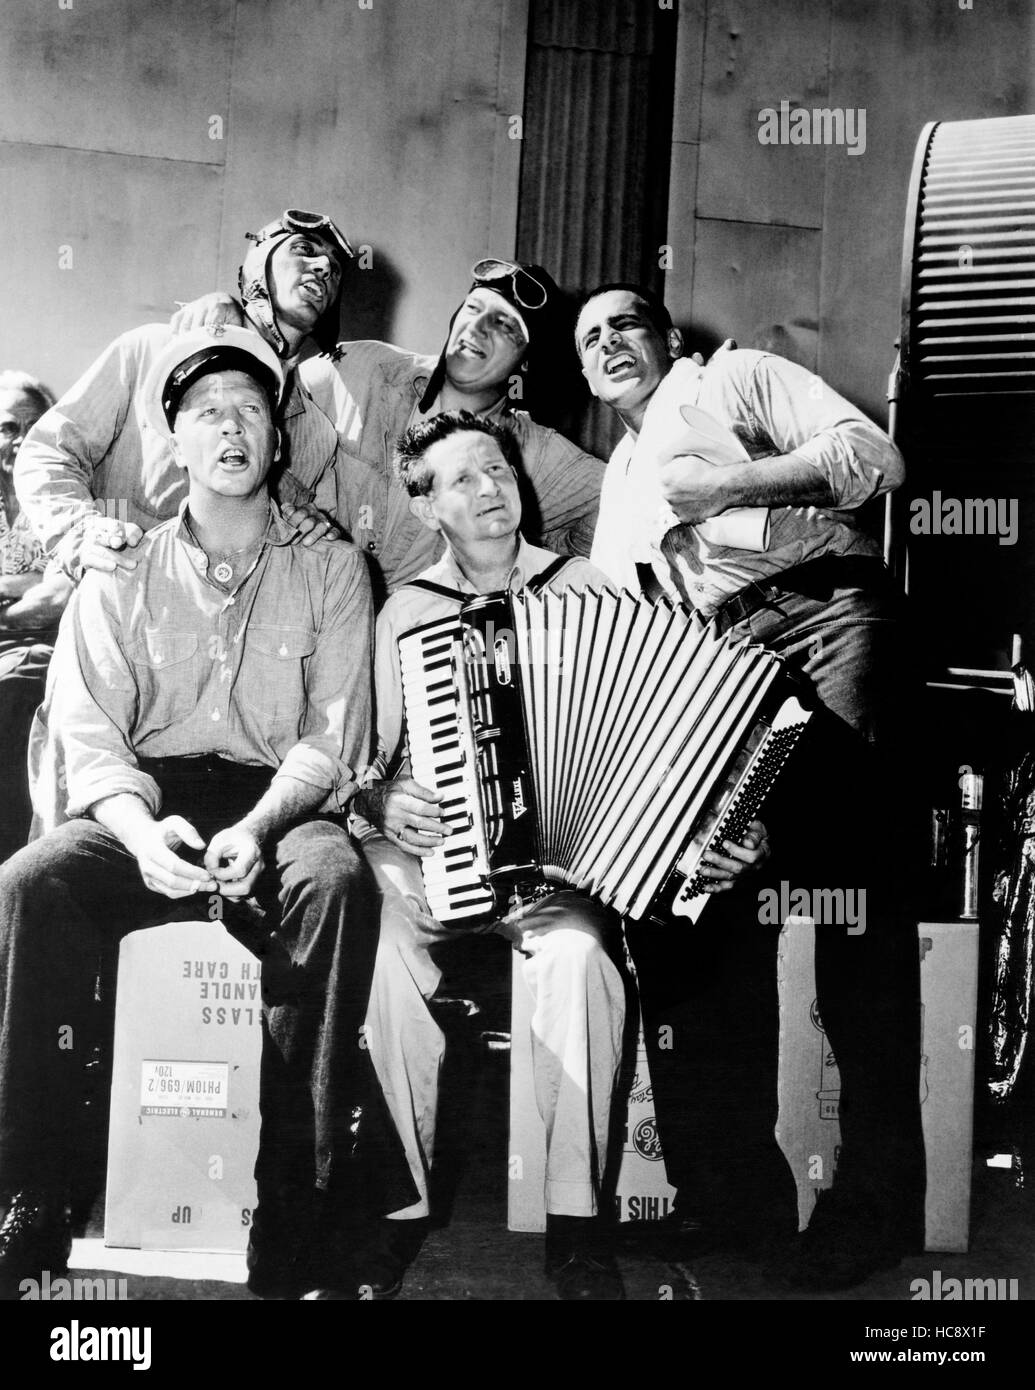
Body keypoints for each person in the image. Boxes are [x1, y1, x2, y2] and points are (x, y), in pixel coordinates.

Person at [0, 330, 394, 1302]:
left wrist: (259, 828)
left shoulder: (334, 568)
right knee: (30, 883)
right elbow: (90, 737)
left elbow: (332, 736)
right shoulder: (121, 567)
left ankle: (292, 1206)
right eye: (208, 409)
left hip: (276, 798)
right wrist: (139, 835)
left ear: (278, 440)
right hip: (148, 799)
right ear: (172, 438)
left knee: (335, 881)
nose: (232, 424)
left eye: (252, 408)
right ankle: (33, 1192)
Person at [349, 410, 767, 1300]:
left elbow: (670, 733)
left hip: (555, 872)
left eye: (499, 469)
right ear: (425, 509)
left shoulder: (588, 588)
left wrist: (721, 825)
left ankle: (575, 1227)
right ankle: (399, 1209)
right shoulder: (404, 613)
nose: (491, 488)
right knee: (383, 954)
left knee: (580, 964)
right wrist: (381, 800)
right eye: (463, 478)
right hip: (432, 861)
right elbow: (368, 763)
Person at [574, 282, 926, 1290]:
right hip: (715, 676)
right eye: (588, 339)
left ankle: (874, 1208)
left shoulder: (739, 378)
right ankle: (732, 1201)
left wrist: (732, 491)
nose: (606, 345)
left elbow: (875, 460)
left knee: (856, 908)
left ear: (667, 337)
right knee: (683, 909)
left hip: (823, 620)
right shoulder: (619, 477)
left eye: (623, 325)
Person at [172, 258, 605, 600]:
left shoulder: (538, 455)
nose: (478, 328)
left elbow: (630, 501)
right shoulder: (361, 368)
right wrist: (233, 323)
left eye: (505, 325)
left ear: (526, 361)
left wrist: (537, 558)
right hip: (311, 621)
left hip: (417, 661)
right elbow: (252, 420)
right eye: (475, 309)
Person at [0, 372, 67, 861]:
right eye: (7, 427)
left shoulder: (66, 500)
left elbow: (65, 594)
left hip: (46, 657)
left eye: (34, 423)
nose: (20, 438)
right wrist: (32, 591)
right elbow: (43, 592)